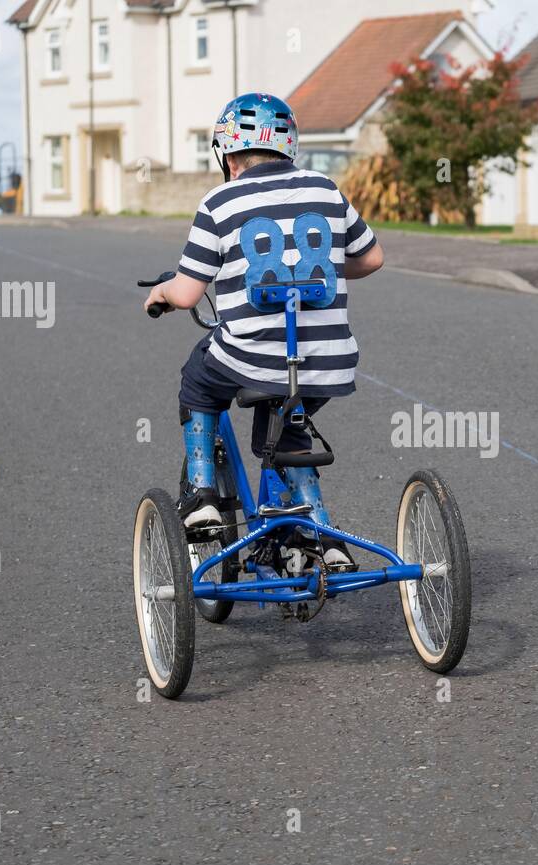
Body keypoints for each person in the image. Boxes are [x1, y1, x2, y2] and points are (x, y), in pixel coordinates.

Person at [142, 92, 383, 565]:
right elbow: (371, 258)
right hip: (326, 361)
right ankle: (316, 535)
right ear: (288, 147)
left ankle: (202, 492)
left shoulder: (221, 201)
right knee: (285, 424)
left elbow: (189, 293)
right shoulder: (325, 189)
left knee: (199, 379)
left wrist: (161, 293)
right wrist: (324, 269)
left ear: (228, 155)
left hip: (253, 358)